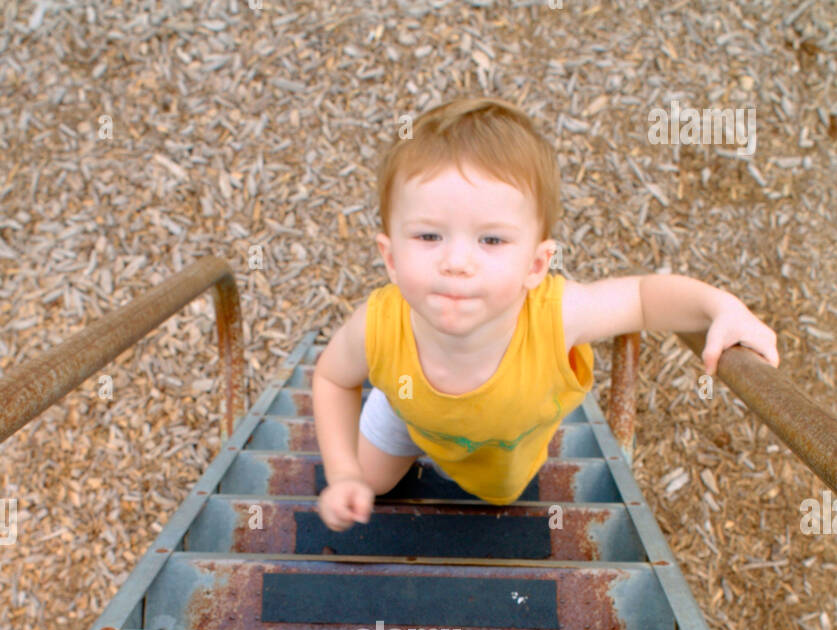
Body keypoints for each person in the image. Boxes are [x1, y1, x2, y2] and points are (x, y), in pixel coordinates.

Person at [312, 96, 778, 533]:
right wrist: (343, 471)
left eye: (491, 240)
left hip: (501, 447)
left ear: (535, 265)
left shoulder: (556, 317)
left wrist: (720, 307)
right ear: (390, 258)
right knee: (369, 487)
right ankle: (385, 426)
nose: (456, 262)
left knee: (498, 500)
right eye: (428, 236)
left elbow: (641, 297)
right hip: (406, 407)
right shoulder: (378, 325)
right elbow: (333, 378)